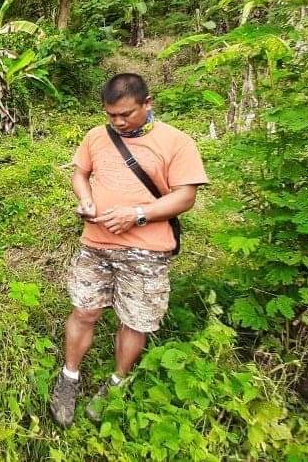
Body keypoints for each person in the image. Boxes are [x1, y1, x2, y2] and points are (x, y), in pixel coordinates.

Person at [50, 73, 208, 427]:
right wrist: (86, 199)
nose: (119, 122)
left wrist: (138, 214)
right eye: (111, 116)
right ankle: (69, 378)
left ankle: (117, 383)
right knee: (84, 311)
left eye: (126, 114)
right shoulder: (96, 136)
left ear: (148, 103)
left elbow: (186, 196)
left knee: (134, 321)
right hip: (96, 243)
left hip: (147, 252)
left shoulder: (176, 142)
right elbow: (80, 173)